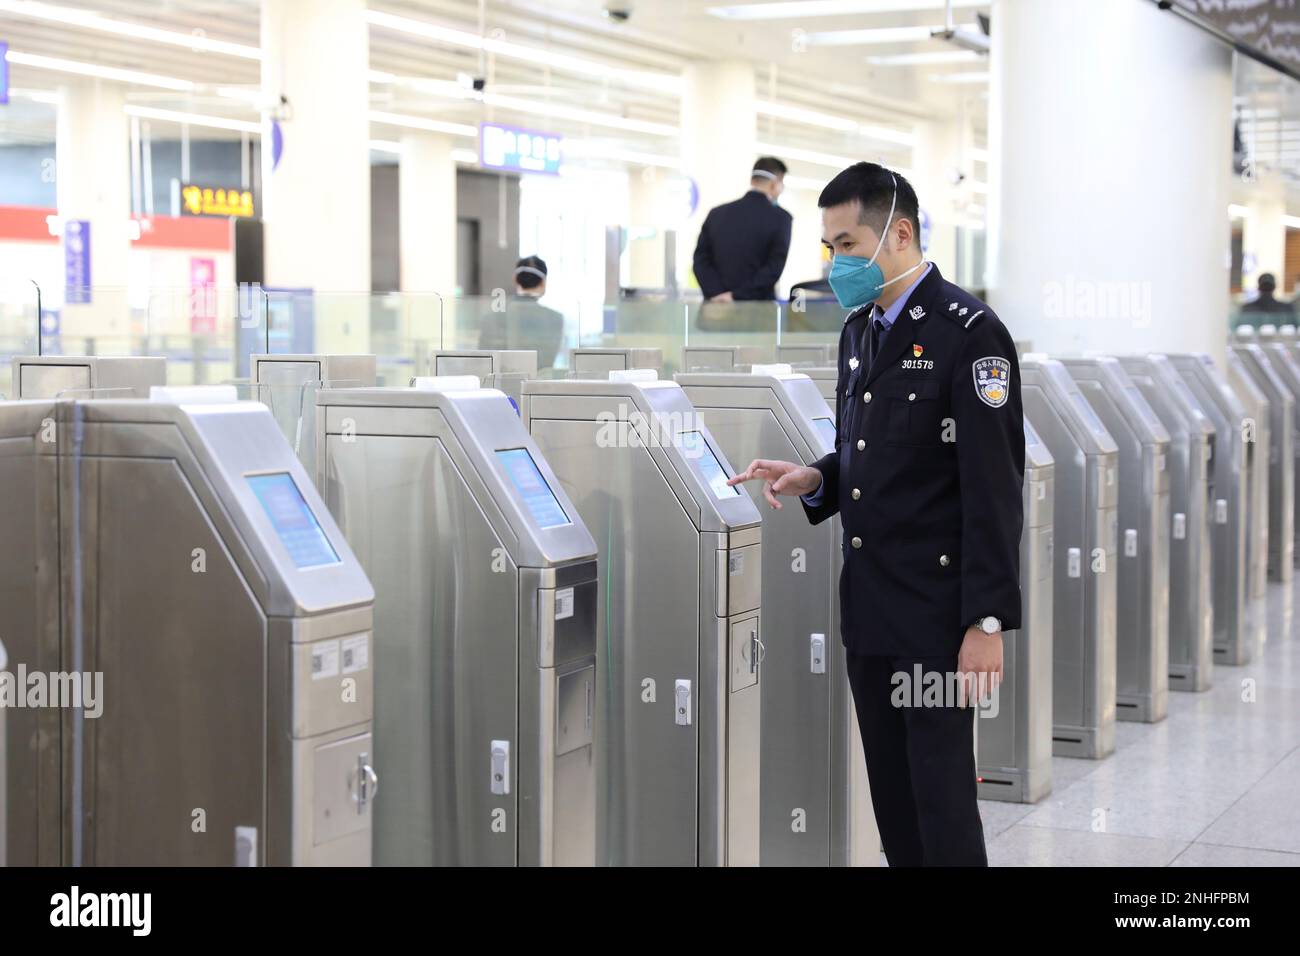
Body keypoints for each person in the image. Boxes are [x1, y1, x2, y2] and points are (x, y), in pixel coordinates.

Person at [727, 162, 1024, 867]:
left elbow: (993, 488)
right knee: (892, 797)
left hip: (937, 617)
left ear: (900, 233)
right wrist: (817, 477)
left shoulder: (969, 334)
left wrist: (986, 623)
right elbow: (870, 452)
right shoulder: (861, 332)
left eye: (849, 243)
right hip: (871, 610)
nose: (836, 263)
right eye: (829, 247)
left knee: (941, 799)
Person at [691, 156, 793, 303]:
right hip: (757, 314)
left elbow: (700, 260)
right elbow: (773, 268)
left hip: (716, 312)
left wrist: (718, 294)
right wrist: (736, 296)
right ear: (775, 184)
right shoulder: (781, 218)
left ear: (752, 181)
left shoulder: (716, 214)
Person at [479, 255, 565, 368]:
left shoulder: (491, 317)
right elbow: (547, 364)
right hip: (537, 384)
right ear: (543, 282)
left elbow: (484, 361)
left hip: (500, 384)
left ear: (515, 279)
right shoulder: (555, 319)